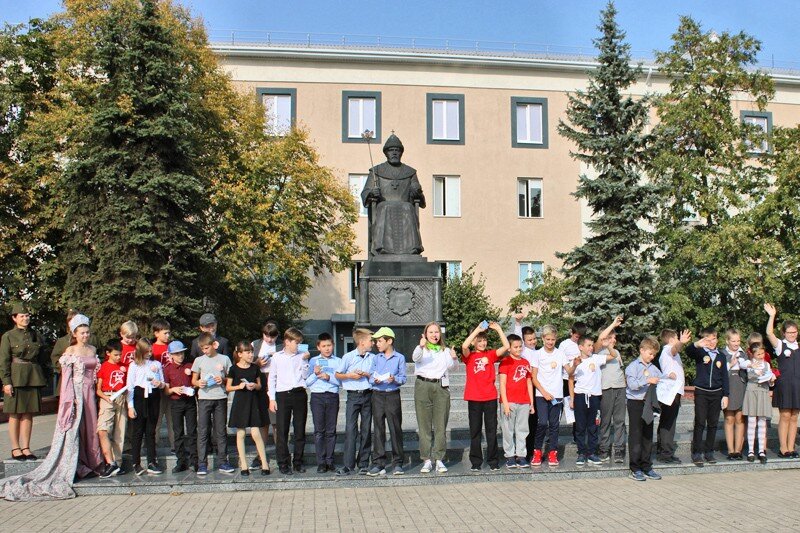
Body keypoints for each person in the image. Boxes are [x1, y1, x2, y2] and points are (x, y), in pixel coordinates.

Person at [0, 314, 103, 501]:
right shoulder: (70, 351)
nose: (86, 335)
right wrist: (68, 401)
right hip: (76, 394)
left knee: (91, 427)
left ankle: (93, 461)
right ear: (75, 334)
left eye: (87, 332)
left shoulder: (93, 349)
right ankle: (69, 461)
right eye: (82, 333)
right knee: (20, 415)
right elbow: (66, 380)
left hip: (91, 393)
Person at [360, 134, 426, 256]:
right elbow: (365, 192)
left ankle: (413, 247)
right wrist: (371, 192)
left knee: (408, 207)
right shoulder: (376, 171)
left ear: (401, 153)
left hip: (406, 206)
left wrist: (417, 190)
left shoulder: (410, 172)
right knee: (386, 206)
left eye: (397, 150)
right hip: (383, 207)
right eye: (391, 150)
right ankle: (382, 247)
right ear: (386, 153)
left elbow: (418, 194)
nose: (394, 153)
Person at [1, 302, 49, 461]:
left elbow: (43, 357)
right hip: (16, 378)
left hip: (32, 376)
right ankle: (15, 448)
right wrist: (6, 381)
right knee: (15, 414)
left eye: (27, 315)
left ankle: (26, 447)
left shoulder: (36, 335)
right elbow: (4, 360)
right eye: (22, 316)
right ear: (14, 318)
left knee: (28, 414)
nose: (25, 318)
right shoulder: (8, 336)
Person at [461, 321, 509, 471]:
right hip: (474, 398)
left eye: (484, 340)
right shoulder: (469, 356)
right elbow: (464, 346)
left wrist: (499, 330)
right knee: (475, 431)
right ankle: (476, 462)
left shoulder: (490, 354)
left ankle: (493, 461)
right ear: (474, 340)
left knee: (491, 430)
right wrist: (477, 331)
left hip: (489, 398)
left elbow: (507, 347)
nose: (482, 343)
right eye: (479, 340)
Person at [412, 322, 458, 474]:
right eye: (430, 332)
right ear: (425, 334)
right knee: (424, 425)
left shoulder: (444, 350)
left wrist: (454, 357)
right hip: (423, 386)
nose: (434, 335)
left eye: (436, 332)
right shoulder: (421, 349)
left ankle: (439, 459)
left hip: (441, 387)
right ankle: (426, 459)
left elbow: (453, 367)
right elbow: (415, 358)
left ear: (440, 334)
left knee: (440, 425)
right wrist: (420, 346)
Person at [268, 327, 311, 475]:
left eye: (299, 343)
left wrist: (305, 362)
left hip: (299, 393)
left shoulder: (301, 356)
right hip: (283, 395)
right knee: (282, 430)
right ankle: (283, 463)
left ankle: (298, 462)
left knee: (299, 430)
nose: (298, 346)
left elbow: (305, 376)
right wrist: (272, 398)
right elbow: (272, 378)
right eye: (296, 343)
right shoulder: (277, 357)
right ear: (287, 341)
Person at [191, 332, 234, 475]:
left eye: (207, 348)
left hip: (220, 398)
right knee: (203, 431)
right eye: (202, 349)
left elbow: (231, 378)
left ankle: (223, 462)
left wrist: (223, 380)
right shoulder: (199, 360)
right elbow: (193, 380)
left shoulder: (224, 359)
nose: (205, 351)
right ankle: (202, 464)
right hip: (204, 398)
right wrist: (199, 382)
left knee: (220, 431)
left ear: (214, 345)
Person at [569, 332, 616, 467]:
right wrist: (572, 398)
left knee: (593, 425)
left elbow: (613, 355)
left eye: (591, 345)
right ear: (580, 347)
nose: (591, 348)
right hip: (580, 397)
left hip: (595, 397)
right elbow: (570, 379)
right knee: (580, 426)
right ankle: (581, 453)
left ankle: (591, 453)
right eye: (588, 345)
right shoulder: (576, 361)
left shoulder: (596, 358)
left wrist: (608, 346)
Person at [530, 325, 572, 467]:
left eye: (553, 339)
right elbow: (534, 378)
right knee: (542, 423)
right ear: (542, 339)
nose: (550, 342)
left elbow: (569, 371)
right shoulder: (538, 354)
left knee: (554, 425)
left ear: (556, 339)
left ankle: (552, 452)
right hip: (541, 395)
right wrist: (544, 393)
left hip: (557, 396)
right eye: (547, 339)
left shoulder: (560, 354)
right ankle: (537, 451)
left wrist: (576, 365)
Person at [686, 327, 729, 466]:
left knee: (713, 423)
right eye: (708, 339)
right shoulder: (700, 352)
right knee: (700, 422)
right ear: (704, 340)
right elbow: (688, 351)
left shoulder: (721, 355)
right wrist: (697, 344)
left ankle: (709, 452)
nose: (712, 342)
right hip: (702, 392)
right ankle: (697, 453)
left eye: (714, 338)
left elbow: (725, 377)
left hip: (716, 393)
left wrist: (726, 395)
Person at [334, 328, 375, 476]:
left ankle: (363, 463)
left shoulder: (372, 357)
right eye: (371, 340)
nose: (373, 343)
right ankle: (348, 465)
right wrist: (350, 375)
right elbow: (338, 374)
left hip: (368, 395)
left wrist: (366, 374)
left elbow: (375, 376)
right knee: (351, 430)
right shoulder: (348, 357)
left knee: (366, 430)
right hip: (353, 396)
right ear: (362, 342)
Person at [367, 327, 407, 476]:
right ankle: (379, 463)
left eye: (380, 341)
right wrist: (374, 380)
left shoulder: (400, 358)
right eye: (376, 341)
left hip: (392, 395)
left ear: (389, 341)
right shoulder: (376, 358)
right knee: (378, 429)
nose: (377, 344)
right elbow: (371, 376)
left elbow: (403, 378)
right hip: (377, 395)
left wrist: (394, 379)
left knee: (395, 429)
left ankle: (398, 463)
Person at [226, 341, 270, 476]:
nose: (251, 355)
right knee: (241, 433)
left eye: (252, 352)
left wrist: (253, 386)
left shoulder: (255, 368)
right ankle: (243, 465)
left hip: (253, 402)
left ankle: (264, 463)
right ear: (240, 354)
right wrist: (239, 386)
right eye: (248, 352)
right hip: (240, 403)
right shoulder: (233, 369)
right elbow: (228, 387)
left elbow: (260, 385)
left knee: (256, 433)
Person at [764, 303, 800, 458]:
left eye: (794, 332)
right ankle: (783, 448)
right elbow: (769, 333)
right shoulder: (780, 345)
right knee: (785, 415)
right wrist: (772, 316)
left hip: (797, 385)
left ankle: (791, 448)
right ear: (784, 333)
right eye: (789, 332)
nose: (792, 334)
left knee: (794, 417)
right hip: (784, 385)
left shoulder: (798, 346)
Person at [625, 336, 663, 482]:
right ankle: (635, 468)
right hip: (635, 403)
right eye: (650, 353)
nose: (652, 357)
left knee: (647, 434)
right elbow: (632, 385)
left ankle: (646, 466)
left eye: (654, 355)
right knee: (636, 435)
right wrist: (647, 380)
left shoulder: (654, 368)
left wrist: (668, 377)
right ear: (642, 350)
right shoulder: (632, 367)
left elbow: (661, 380)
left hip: (648, 404)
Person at [126, 338, 166, 476]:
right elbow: (130, 387)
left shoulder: (156, 364)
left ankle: (151, 461)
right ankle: (135, 463)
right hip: (139, 396)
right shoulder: (134, 366)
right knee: (138, 431)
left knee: (151, 431)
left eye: (150, 351)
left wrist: (159, 383)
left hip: (153, 397)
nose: (149, 353)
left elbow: (163, 383)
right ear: (140, 351)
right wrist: (130, 406)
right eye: (146, 351)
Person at [306, 333, 341, 473]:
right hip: (317, 397)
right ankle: (321, 462)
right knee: (319, 431)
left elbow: (341, 381)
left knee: (331, 431)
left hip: (332, 396)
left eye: (329, 345)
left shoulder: (338, 361)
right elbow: (307, 382)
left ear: (333, 345)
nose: (327, 349)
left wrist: (329, 377)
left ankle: (330, 460)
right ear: (318, 347)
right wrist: (315, 374)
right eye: (324, 346)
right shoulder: (313, 361)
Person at [498, 334, 534, 469]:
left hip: (524, 401)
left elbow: (529, 382)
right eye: (516, 347)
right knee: (508, 429)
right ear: (509, 348)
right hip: (510, 402)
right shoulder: (505, 362)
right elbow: (502, 383)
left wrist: (531, 403)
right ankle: (509, 456)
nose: (519, 349)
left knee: (522, 429)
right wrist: (505, 404)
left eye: (520, 347)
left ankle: (521, 455)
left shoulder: (525, 362)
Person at [162, 340, 198, 473]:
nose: (180, 356)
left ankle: (195, 460)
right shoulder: (167, 369)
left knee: (192, 431)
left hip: (189, 402)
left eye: (182, 353)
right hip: (176, 402)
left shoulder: (189, 365)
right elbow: (166, 390)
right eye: (177, 354)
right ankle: (181, 461)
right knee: (178, 433)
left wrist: (192, 388)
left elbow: (195, 382)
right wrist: (173, 390)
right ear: (171, 355)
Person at [655, 329, 690, 464]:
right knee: (669, 423)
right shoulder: (668, 351)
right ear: (671, 340)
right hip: (671, 392)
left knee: (666, 421)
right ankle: (666, 454)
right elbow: (675, 349)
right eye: (676, 338)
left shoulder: (669, 352)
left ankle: (662, 450)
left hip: (674, 392)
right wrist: (681, 342)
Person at [251, 320, 281, 468]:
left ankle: (280, 452)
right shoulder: (255, 344)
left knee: (276, 422)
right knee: (262, 422)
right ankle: (260, 455)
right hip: (259, 382)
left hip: (275, 382)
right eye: (266, 336)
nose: (269, 339)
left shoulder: (281, 346)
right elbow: (246, 362)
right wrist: (257, 363)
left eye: (272, 337)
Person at [597, 317, 627, 463]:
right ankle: (604, 449)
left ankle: (620, 450)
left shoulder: (616, 352)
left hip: (620, 388)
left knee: (620, 420)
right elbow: (601, 337)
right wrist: (613, 325)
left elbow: (619, 367)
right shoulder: (597, 352)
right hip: (606, 389)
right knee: (606, 420)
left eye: (614, 337)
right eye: (611, 337)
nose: (614, 340)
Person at [96, 339, 127, 478]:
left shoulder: (124, 366)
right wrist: (105, 397)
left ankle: (117, 464)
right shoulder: (104, 367)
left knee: (119, 432)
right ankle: (110, 462)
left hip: (121, 398)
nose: (118, 357)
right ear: (108, 353)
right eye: (115, 355)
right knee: (103, 429)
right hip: (107, 397)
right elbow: (98, 389)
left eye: (120, 354)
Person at [742, 342, 776, 463]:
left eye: (762, 353)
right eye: (758, 354)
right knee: (751, 421)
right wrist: (757, 372)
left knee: (762, 421)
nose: (761, 356)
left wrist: (772, 380)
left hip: (763, 392)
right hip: (752, 392)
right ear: (752, 354)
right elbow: (750, 375)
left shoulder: (766, 364)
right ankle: (751, 450)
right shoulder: (750, 364)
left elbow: (770, 381)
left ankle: (761, 450)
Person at [513, 313, 538, 462]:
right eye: (529, 339)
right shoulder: (523, 351)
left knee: (534, 422)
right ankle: (521, 452)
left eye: (534, 338)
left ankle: (531, 450)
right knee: (524, 423)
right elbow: (517, 336)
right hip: (524, 388)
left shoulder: (538, 352)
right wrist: (518, 322)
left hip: (536, 389)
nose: (533, 341)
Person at [559, 322, 586, 445]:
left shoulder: (583, 345)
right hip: (565, 379)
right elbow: (558, 360)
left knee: (577, 407)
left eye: (580, 337)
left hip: (579, 380)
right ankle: (554, 433)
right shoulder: (564, 344)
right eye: (576, 336)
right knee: (562, 407)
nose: (577, 339)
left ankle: (577, 434)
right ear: (572, 333)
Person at [722, 328, 747, 460]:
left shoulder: (743, 353)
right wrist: (730, 365)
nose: (736, 343)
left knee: (740, 418)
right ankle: (730, 450)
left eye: (738, 340)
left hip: (741, 385)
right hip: (729, 386)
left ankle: (738, 450)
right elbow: (719, 372)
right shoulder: (722, 353)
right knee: (729, 418)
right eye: (733, 341)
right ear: (727, 341)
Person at [151, 319, 174, 451]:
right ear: (156, 333)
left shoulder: (171, 347)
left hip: (170, 386)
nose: (167, 336)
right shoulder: (152, 348)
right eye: (165, 333)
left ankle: (175, 445)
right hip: (158, 388)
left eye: (169, 333)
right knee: (157, 418)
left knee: (172, 419)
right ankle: (153, 444)